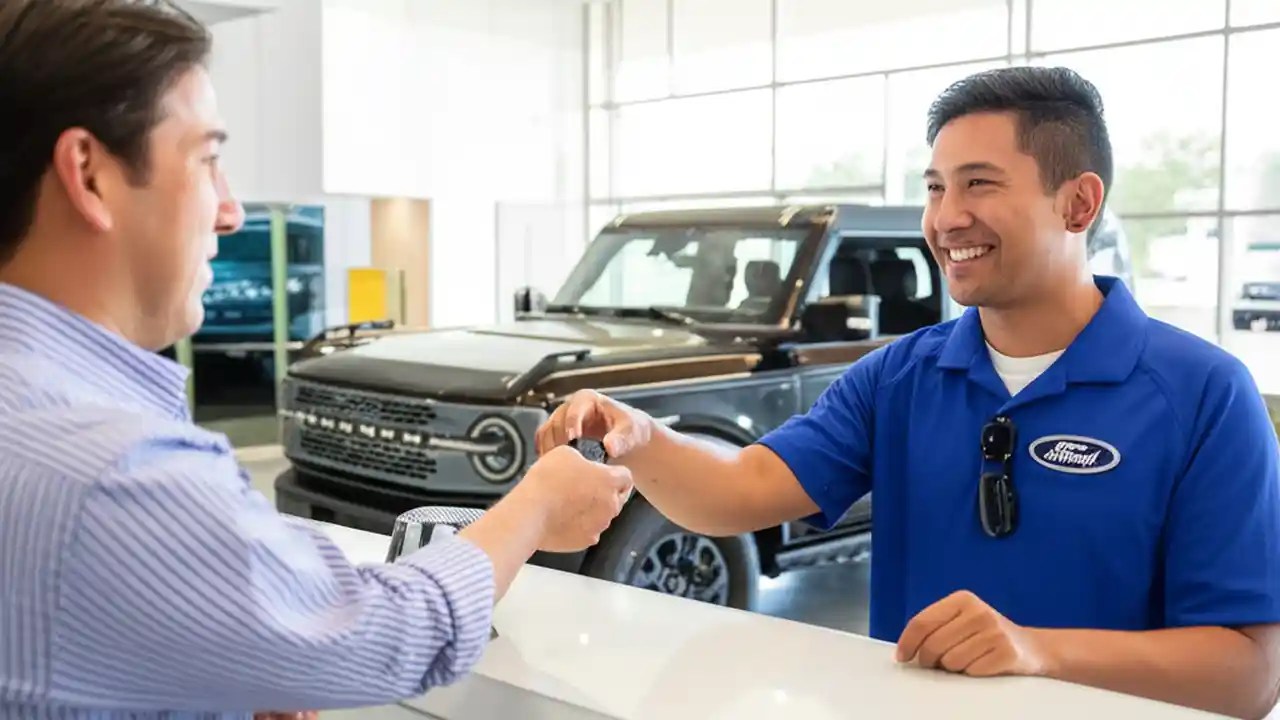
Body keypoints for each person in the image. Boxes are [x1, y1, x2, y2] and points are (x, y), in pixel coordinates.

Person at [538, 66, 1280, 719]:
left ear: (1078, 204)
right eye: (935, 187)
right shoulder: (899, 378)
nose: (946, 217)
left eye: (979, 184)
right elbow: (741, 489)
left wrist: (1038, 652)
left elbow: (1247, 674)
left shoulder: (1204, 396)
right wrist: (641, 435)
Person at [0, 2, 632, 718]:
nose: (230, 209)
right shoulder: (117, 472)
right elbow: (382, 635)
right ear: (89, 174)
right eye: (207, 159)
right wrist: (537, 507)